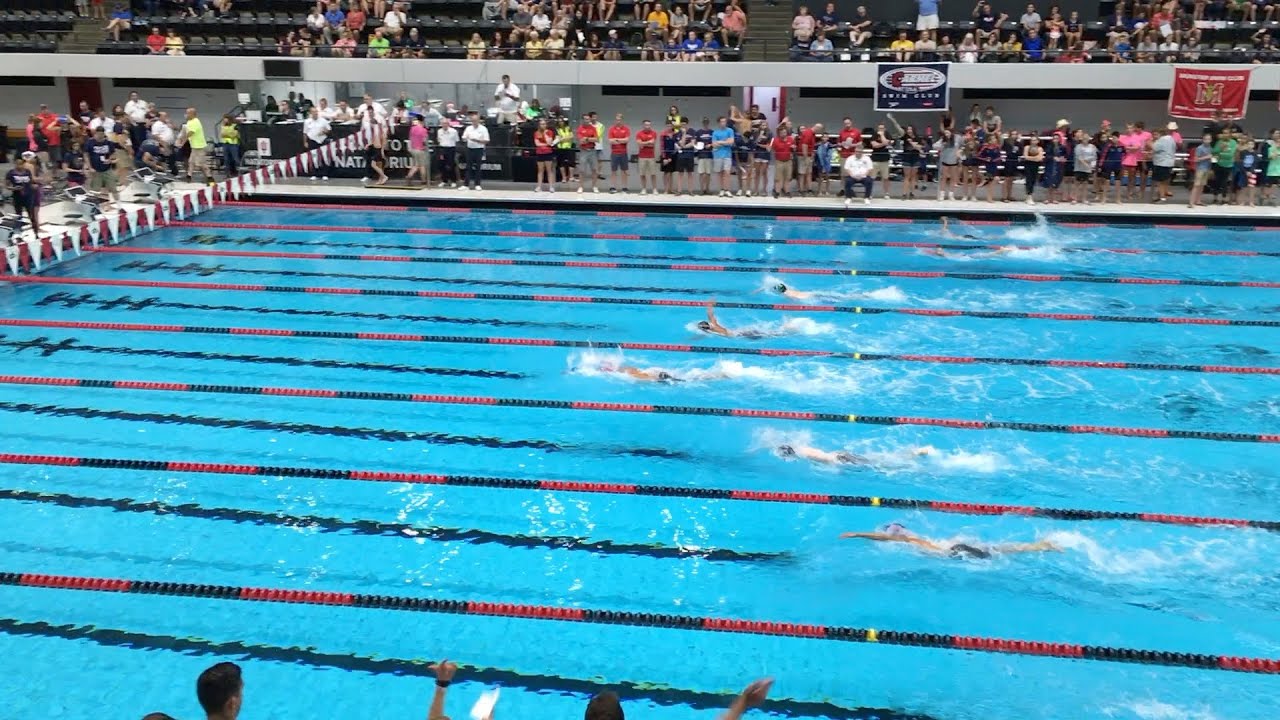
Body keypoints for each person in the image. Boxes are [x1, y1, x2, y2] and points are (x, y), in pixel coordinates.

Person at [840, 522, 1061, 559]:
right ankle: (1040, 546)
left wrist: (858, 534)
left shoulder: (908, 539)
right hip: (953, 548)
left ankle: (1040, 546)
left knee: (991, 552)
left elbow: (883, 537)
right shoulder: (918, 537)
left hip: (951, 553)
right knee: (999, 549)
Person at [6, 156, 40, 237]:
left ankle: (36, 233)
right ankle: (19, 234)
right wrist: (14, 188)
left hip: (28, 196)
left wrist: (34, 186)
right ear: (15, 164)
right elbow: (7, 186)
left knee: (31, 215)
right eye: (17, 164)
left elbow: (31, 182)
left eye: (21, 164)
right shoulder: (11, 173)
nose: (19, 166)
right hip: (17, 196)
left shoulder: (27, 172)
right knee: (18, 215)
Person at [83, 126, 120, 201]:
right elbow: (86, 155)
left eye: (102, 134)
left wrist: (110, 159)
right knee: (95, 190)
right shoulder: (90, 143)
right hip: (96, 169)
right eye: (99, 134)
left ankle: (118, 204)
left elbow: (113, 153)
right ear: (96, 133)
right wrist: (89, 167)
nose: (100, 136)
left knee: (113, 188)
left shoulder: (108, 143)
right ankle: (95, 205)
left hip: (107, 169)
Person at [179, 107, 210, 183]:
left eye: (187, 113)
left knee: (201, 164)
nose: (186, 115)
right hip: (194, 146)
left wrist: (183, 142)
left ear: (192, 114)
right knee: (191, 162)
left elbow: (190, 133)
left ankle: (210, 178)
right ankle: (189, 177)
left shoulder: (195, 121)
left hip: (199, 146)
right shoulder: (189, 122)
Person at [462, 112, 489, 190]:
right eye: (473, 121)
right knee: (468, 167)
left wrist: (477, 140)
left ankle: (477, 184)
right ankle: (466, 184)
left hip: (479, 149)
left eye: (476, 120)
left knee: (478, 167)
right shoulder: (468, 128)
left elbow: (486, 140)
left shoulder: (483, 129)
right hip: (469, 149)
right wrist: (465, 138)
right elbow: (464, 138)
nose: (474, 122)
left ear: (479, 120)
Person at [302, 106, 331, 181]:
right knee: (313, 158)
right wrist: (305, 142)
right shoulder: (307, 121)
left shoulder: (323, 120)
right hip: (312, 141)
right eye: (313, 112)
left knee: (323, 157)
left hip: (322, 140)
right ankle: (314, 174)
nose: (315, 113)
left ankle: (324, 174)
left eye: (316, 112)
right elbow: (305, 133)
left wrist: (324, 132)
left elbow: (329, 130)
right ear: (310, 113)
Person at [711, 116, 735, 197]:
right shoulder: (715, 132)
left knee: (727, 173)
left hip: (727, 155)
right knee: (720, 174)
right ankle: (721, 190)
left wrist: (719, 142)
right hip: (717, 155)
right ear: (719, 123)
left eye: (724, 121)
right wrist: (725, 142)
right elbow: (714, 145)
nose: (723, 123)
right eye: (721, 121)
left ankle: (727, 190)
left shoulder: (730, 130)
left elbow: (731, 142)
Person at [635, 119, 659, 194]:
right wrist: (648, 142)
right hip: (642, 156)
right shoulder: (639, 133)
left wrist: (643, 143)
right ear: (643, 125)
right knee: (642, 174)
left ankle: (654, 189)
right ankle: (643, 189)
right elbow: (640, 145)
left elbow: (653, 144)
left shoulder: (654, 133)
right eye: (646, 125)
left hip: (651, 156)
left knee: (653, 173)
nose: (647, 126)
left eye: (649, 125)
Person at [533, 117, 556, 192]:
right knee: (540, 170)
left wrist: (545, 134)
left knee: (549, 170)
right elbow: (537, 144)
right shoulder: (536, 133)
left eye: (544, 124)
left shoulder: (549, 132)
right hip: (540, 153)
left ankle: (551, 187)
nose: (543, 125)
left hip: (548, 153)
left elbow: (550, 142)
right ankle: (539, 186)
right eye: (541, 124)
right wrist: (545, 144)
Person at [406, 116, 430, 185]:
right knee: (422, 165)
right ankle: (423, 180)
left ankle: (409, 176)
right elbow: (424, 141)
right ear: (422, 121)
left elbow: (410, 138)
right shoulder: (423, 130)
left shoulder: (412, 129)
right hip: (421, 149)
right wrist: (426, 146)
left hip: (413, 149)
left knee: (416, 165)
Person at [436, 119, 460, 188]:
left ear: (448, 124)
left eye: (446, 123)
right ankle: (444, 180)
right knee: (442, 165)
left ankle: (453, 181)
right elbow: (438, 140)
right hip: (442, 149)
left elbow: (457, 140)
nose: (444, 125)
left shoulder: (454, 131)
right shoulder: (439, 131)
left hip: (451, 149)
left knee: (451, 165)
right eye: (443, 123)